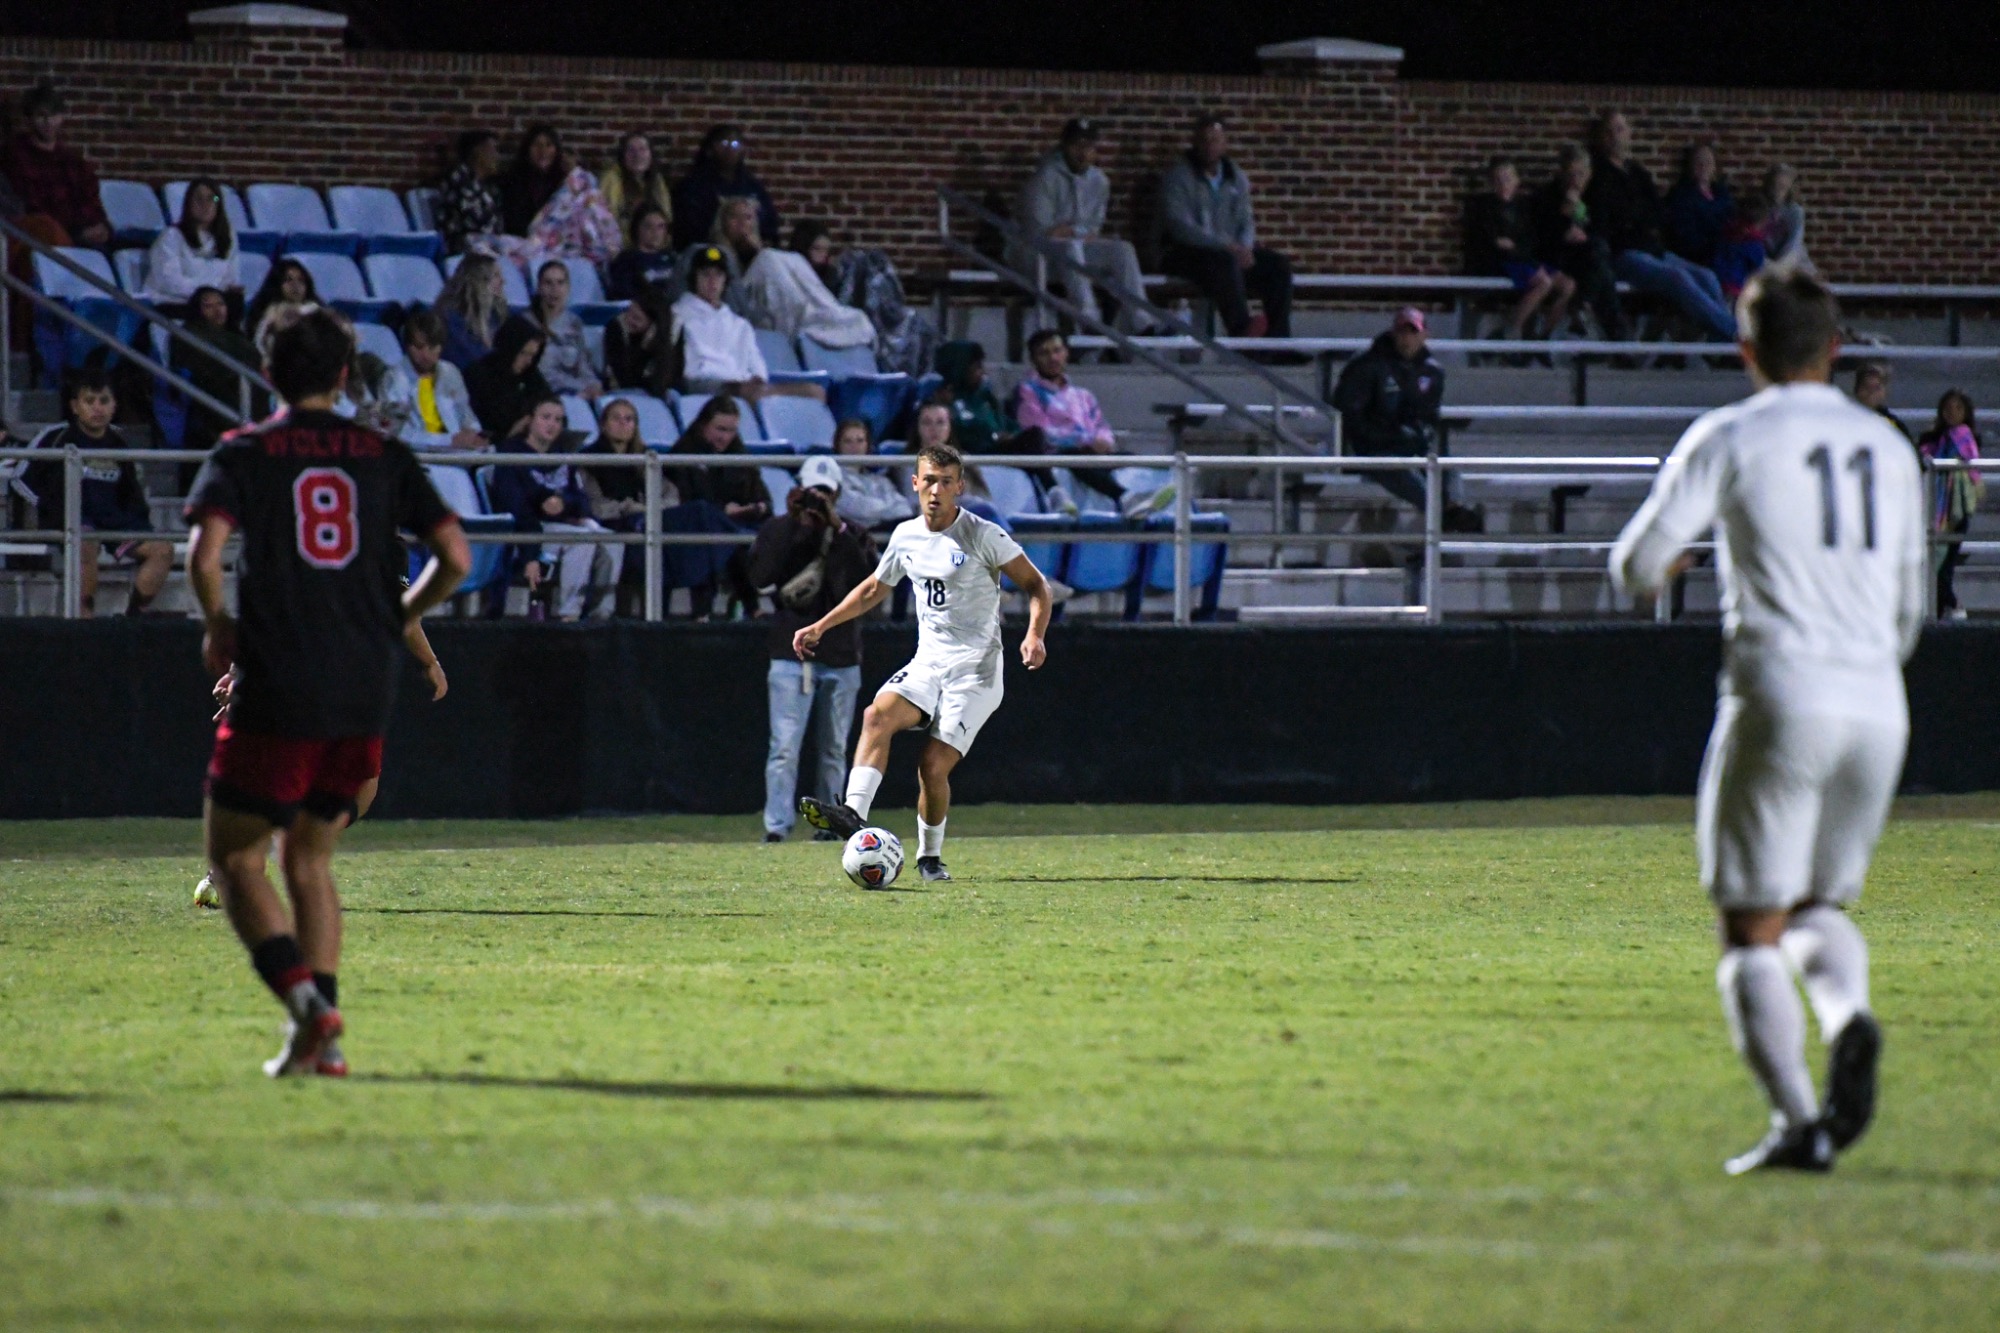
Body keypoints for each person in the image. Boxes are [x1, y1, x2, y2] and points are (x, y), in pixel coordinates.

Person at [1609, 269, 1922, 1174]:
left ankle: (1798, 1123)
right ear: (1836, 349)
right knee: (1816, 905)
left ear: (1745, 349)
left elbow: (1636, 565)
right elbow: (1909, 607)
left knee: (1751, 927)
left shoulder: (1733, 433)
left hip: (1782, 691)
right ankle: (1847, 1015)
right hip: (1878, 701)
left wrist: (1672, 565)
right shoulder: (1888, 446)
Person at [184, 305, 469, 1077]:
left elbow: (204, 555)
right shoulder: (382, 452)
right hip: (362, 682)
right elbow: (454, 555)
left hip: (281, 674)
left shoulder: (246, 450)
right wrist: (396, 618)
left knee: (234, 859)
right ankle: (324, 1045)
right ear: (344, 375)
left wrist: (218, 625)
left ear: (267, 370)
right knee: (309, 859)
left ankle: (308, 1003)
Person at [794, 441, 1054, 883]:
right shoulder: (906, 536)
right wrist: (822, 625)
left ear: (960, 487)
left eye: (946, 482)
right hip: (928, 662)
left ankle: (929, 857)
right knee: (876, 715)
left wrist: (1035, 635)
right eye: (929, 480)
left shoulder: (983, 535)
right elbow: (874, 589)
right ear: (915, 483)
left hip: (976, 671)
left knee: (932, 766)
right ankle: (852, 813)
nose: (936, 490)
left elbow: (1037, 586)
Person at [748, 453, 878, 843]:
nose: (819, 501)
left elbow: (867, 585)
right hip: (791, 653)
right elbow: (760, 577)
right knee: (784, 748)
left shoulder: (852, 534)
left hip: (840, 654)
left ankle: (831, 826)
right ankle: (776, 827)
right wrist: (793, 525)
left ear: (837, 495)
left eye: (826, 494)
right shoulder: (779, 529)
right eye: (812, 493)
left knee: (834, 750)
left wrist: (837, 530)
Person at [18, 364, 174, 616]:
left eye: (104, 401)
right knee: (86, 543)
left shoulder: (120, 442)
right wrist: (51, 511)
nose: (97, 408)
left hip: (116, 523)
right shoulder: (56, 437)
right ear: (75, 406)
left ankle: (133, 618)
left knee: (163, 550)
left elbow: (132, 491)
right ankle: (85, 623)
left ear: (114, 406)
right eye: (89, 401)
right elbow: (23, 480)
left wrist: (136, 521)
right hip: (74, 522)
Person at [1585, 110, 1737, 342]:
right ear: (1601, 138)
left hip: (1652, 249)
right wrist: (1634, 218)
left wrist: (1636, 217)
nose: (1615, 136)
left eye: (1620, 129)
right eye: (1609, 131)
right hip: (1624, 253)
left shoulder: (1638, 173)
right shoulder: (1597, 175)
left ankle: (1721, 344)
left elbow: (1657, 212)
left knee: (1707, 276)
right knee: (1678, 278)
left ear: (1629, 134)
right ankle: (1736, 335)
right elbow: (1606, 217)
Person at [1331, 309, 1482, 532]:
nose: (1407, 338)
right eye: (1402, 332)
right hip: (1373, 448)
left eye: (1413, 332)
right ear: (1393, 333)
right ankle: (1442, 515)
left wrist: (1440, 426)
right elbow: (1350, 413)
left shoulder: (1432, 371)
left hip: (1411, 444)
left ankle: (1454, 508)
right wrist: (1387, 435)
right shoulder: (1367, 366)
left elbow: (1426, 415)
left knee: (1447, 463)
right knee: (1401, 467)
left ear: (1424, 335)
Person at [1157, 113, 1292, 339]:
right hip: (1186, 253)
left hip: (1229, 254)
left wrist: (1245, 247)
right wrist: (1226, 247)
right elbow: (1181, 227)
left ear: (1224, 143)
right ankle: (1242, 332)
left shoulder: (1235, 177)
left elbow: (1246, 219)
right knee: (1224, 263)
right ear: (1195, 143)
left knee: (1277, 266)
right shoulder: (1178, 178)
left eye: (1215, 140)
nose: (1210, 146)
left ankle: (1279, 341)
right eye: (1204, 140)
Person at [1015, 118, 1155, 336]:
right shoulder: (1045, 178)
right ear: (1065, 146)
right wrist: (1075, 234)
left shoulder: (1100, 181)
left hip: (1076, 251)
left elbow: (1093, 229)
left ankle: (1143, 321)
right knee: (1071, 247)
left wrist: (1072, 231)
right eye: (1076, 146)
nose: (1082, 153)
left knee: (1122, 249)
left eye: (1089, 147)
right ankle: (1089, 319)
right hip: (1041, 257)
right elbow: (1040, 231)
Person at [488, 394, 623, 620]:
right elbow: (515, 508)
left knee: (614, 541)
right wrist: (530, 553)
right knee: (581, 541)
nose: (552, 424)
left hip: (563, 524)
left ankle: (601, 614)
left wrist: (564, 503)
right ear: (530, 420)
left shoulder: (562, 454)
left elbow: (580, 498)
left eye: (558, 420)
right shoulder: (511, 455)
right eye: (546, 417)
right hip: (531, 529)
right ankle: (568, 614)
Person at [1012, 330, 1174, 518]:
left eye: (1057, 351)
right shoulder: (1027, 392)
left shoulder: (1083, 395)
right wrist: (1085, 441)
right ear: (1033, 359)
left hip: (1089, 451)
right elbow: (1038, 431)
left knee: (1130, 459)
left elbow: (1101, 426)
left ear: (1066, 353)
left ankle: (1166, 493)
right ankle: (1126, 498)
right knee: (1076, 457)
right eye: (1044, 353)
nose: (1053, 358)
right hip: (1059, 453)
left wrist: (1103, 441)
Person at [671, 246, 820, 402]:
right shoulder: (679, 314)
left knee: (814, 392)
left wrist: (757, 379)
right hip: (703, 383)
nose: (712, 281)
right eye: (706, 274)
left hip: (742, 385)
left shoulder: (740, 325)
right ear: (694, 278)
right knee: (753, 393)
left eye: (718, 275)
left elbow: (757, 366)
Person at [666, 394, 769, 617]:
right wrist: (722, 511)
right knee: (720, 535)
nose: (725, 437)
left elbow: (763, 498)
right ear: (704, 424)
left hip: (738, 522)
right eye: (720, 429)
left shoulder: (740, 454)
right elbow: (687, 502)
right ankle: (743, 609)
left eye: (731, 431)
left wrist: (757, 508)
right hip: (696, 526)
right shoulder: (683, 453)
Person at [380, 307, 487, 516]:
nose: (426, 355)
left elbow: (466, 415)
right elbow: (397, 434)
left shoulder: (451, 373)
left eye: (433, 347)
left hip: (458, 462)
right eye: (419, 347)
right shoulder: (394, 379)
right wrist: (448, 441)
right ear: (408, 346)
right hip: (420, 464)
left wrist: (474, 435)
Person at [729, 203, 876, 350]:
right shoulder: (728, 254)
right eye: (816, 249)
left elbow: (822, 300)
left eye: (747, 217)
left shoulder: (823, 272)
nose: (742, 223)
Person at [1464, 156, 1575, 342]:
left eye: (1507, 179)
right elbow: (1493, 242)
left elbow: (1532, 238)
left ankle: (1544, 335)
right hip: (1504, 262)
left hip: (1526, 258)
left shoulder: (1525, 206)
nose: (1503, 184)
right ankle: (1512, 328)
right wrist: (1512, 247)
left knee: (1568, 286)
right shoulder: (1485, 207)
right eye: (1498, 180)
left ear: (1517, 181)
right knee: (1543, 282)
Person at [1532, 144, 1629, 340]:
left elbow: (1604, 230)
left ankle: (1585, 306)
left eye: (1581, 174)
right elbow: (1540, 237)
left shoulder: (1596, 196)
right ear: (1562, 174)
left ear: (1589, 174)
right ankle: (1612, 328)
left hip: (1588, 258)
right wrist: (1563, 224)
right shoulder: (1547, 197)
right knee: (1602, 267)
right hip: (1558, 257)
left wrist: (1585, 233)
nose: (1575, 180)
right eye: (1571, 174)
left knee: (1598, 255)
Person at [171, 286, 268, 480]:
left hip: (248, 401)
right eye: (208, 306)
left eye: (221, 304)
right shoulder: (189, 335)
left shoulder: (237, 336)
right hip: (212, 407)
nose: (217, 310)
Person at [3, 82, 109, 248]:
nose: (48, 122)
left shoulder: (73, 162)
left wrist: (100, 226)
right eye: (41, 116)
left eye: (53, 115)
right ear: (29, 118)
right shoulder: (16, 156)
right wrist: (76, 231)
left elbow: (91, 200)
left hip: (85, 234)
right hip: (46, 237)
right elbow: (31, 206)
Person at [1916, 390, 1984, 620]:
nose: (1952, 413)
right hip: (1933, 509)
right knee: (1933, 565)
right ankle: (1941, 611)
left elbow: (1972, 468)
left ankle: (1953, 607)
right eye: (1947, 408)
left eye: (1957, 408)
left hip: (1954, 512)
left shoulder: (1965, 437)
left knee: (1943, 566)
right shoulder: (1936, 439)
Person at [671, 124, 780, 252]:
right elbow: (685, 229)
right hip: (708, 252)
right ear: (710, 149)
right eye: (724, 143)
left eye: (735, 144)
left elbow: (770, 225)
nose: (730, 149)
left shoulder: (753, 187)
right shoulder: (692, 186)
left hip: (750, 250)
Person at [141, 176, 241, 309]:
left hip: (211, 304)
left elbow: (231, 278)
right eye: (199, 198)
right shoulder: (171, 237)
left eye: (212, 198)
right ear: (188, 203)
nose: (205, 204)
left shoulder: (228, 237)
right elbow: (169, 282)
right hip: (174, 303)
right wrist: (206, 295)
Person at [462, 314, 551, 441]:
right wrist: (512, 433)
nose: (528, 361)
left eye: (532, 355)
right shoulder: (477, 375)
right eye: (523, 353)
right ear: (510, 348)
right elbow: (479, 426)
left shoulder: (531, 375)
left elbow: (551, 403)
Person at [528, 259, 603, 400]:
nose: (554, 289)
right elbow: (541, 372)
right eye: (548, 283)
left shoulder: (574, 322)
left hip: (576, 393)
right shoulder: (527, 322)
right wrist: (578, 390)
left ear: (568, 287)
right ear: (539, 287)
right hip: (544, 394)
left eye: (560, 283)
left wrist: (594, 385)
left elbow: (583, 365)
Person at [831, 418, 916, 529]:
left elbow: (905, 508)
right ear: (838, 445)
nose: (854, 446)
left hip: (887, 528)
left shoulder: (879, 480)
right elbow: (859, 509)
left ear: (868, 445)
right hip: (856, 533)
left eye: (860, 441)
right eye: (847, 441)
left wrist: (883, 511)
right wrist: (888, 508)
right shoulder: (833, 477)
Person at [1664, 141, 1735, 272]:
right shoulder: (1681, 195)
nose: (1703, 166)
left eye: (1708, 162)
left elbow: (1733, 220)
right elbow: (1686, 236)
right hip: (1700, 257)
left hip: (1727, 251)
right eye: (1698, 162)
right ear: (1690, 166)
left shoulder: (1721, 193)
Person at [599, 130, 674, 249]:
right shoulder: (612, 180)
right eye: (631, 150)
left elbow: (666, 216)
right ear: (622, 155)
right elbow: (606, 221)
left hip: (653, 248)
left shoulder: (656, 180)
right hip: (621, 248)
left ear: (651, 154)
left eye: (642, 149)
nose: (637, 155)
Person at [434, 252, 509, 369]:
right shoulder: (452, 318)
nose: (503, 281)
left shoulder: (495, 316)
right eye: (496, 275)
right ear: (479, 280)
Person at [435, 130, 503, 255]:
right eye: (494, 150)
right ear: (478, 152)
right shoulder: (459, 181)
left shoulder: (488, 186)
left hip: (487, 247)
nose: (497, 156)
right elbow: (475, 223)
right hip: (463, 251)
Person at [601, 287, 676, 396]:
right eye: (629, 312)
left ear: (653, 325)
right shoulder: (615, 328)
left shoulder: (663, 338)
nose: (628, 319)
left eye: (636, 318)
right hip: (621, 394)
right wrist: (642, 350)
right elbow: (625, 380)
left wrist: (652, 345)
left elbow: (661, 384)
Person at [498, 124, 569, 238]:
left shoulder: (564, 182)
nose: (543, 151)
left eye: (548, 145)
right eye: (537, 145)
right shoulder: (513, 180)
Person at [244, 258, 319, 356]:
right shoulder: (265, 315)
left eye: (301, 280)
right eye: (288, 280)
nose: (295, 285)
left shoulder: (317, 314)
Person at [605, 203, 677, 301]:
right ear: (637, 229)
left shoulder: (672, 258)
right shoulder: (625, 261)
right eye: (648, 226)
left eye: (661, 226)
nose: (655, 232)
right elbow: (622, 296)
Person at [1763, 164, 1810, 269]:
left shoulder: (1795, 211)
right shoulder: (1760, 208)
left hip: (1789, 258)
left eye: (1782, 187)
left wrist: (1780, 265)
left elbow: (1794, 243)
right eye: (1774, 185)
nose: (1777, 191)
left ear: (1789, 188)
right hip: (1765, 260)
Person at [1851, 364, 1911, 445]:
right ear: (1857, 390)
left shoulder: (1894, 426)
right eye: (1867, 387)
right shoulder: (1846, 420)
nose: (1871, 393)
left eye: (1876, 388)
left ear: (1885, 392)